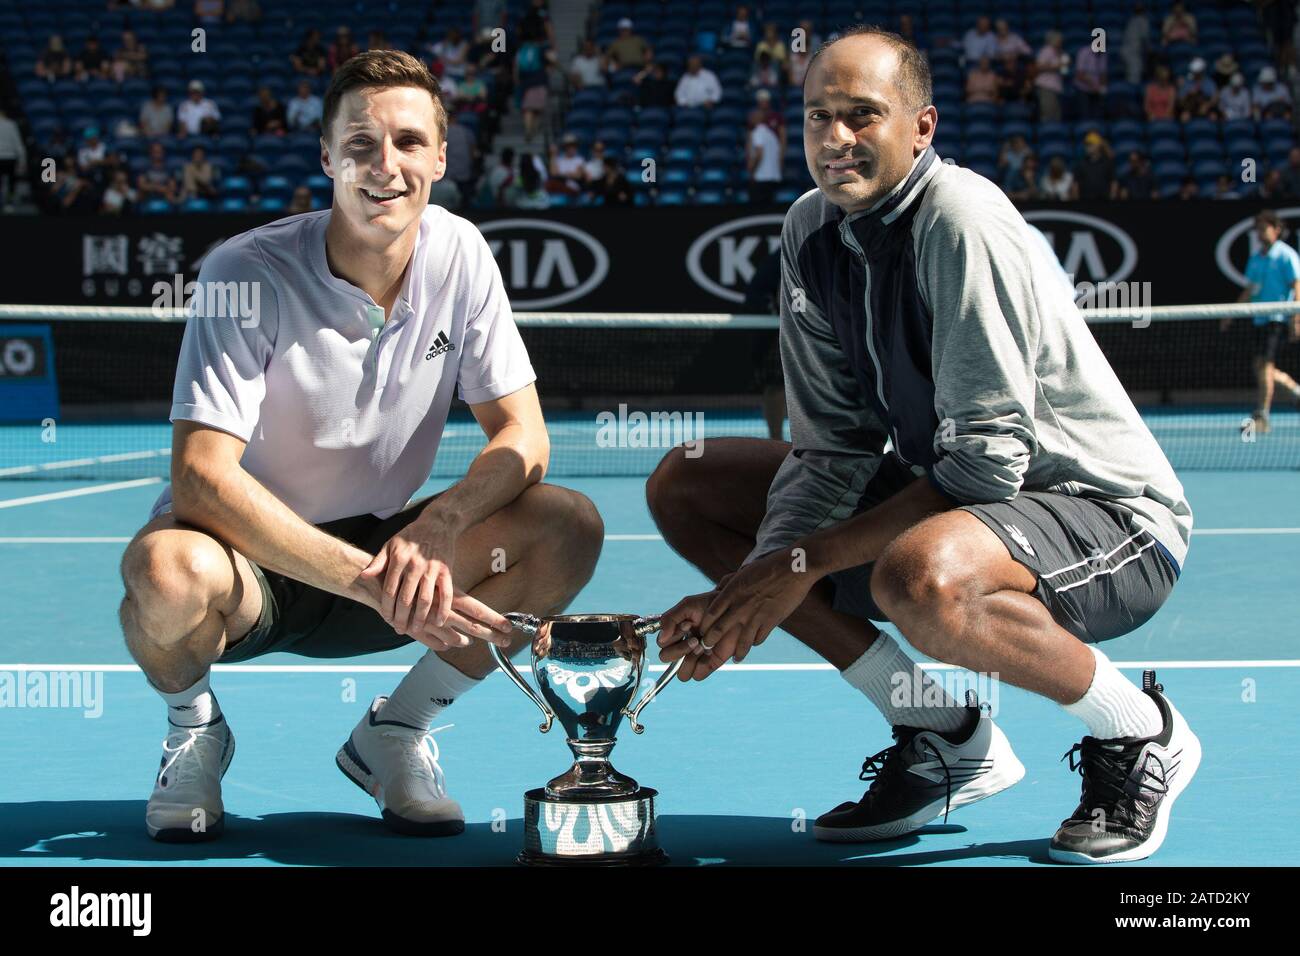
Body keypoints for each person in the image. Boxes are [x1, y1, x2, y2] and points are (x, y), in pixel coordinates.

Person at [648, 27, 1197, 864]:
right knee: (687, 485)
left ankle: (1140, 730)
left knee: (919, 579)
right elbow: (832, 446)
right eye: (817, 117)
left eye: (862, 116)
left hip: (1111, 521)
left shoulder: (960, 221)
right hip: (963, 507)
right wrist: (761, 573)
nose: (835, 140)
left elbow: (986, 464)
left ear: (922, 127)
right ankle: (941, 729)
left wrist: (794, 570)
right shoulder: (809, 232)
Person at [117, 50, 601, 844]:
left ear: (441, 157)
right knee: (164, 573)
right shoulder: (246, 270)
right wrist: (366, 580)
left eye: (410, 143)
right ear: (326, 156)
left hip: (390, 549)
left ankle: (397, 732)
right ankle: (194, 727)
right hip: (248, 563)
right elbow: (201, 479)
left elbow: (525, 436)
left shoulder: (463, 254)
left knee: (566, 526)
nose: (387, 166)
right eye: (361, 145)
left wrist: (437, 528)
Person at [1226, 210, 1300, 433]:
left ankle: (1262, 416)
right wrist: (1230, 313)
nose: (1259, 233)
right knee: (1261, 367)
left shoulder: (1286, 255)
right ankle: (1296, 391)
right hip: (1259, 320)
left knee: (1265, 366)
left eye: (1263, 228)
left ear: (1276, 229)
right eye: (1257, 229)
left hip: (1277, 319)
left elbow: (1297, 285)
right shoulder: (1256, 258)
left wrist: (1296, 317)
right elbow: (1249, 290)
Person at [745, 112, 782, 204]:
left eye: (752, 116)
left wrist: (752, 169)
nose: (750, 118)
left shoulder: (757, 132)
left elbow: (759, 153)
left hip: (761, 178)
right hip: (773, 178)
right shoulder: (772, 135)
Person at [1071, 131, 1117, 200]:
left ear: (1098, 145)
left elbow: (1113, 183)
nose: (1087, 147)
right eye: (1086, 144)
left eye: (1090, 144)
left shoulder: (1107, 163)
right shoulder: (1080, 164)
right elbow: (1075, 184)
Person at [0, 105, 28, 212]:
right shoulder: (11, 125)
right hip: (10, 158)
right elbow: (18, 144)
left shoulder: (11, 124)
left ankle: (7, 202)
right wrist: (22, 160)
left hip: (7, 157)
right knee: (11, 182)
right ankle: (9, 202)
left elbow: (18, 143)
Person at [1033, 31, 1066, 122]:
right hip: (1046, 86)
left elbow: (1064, 70)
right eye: (1059, 40)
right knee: (1048, 114)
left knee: (1056, 114)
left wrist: (1064, 65)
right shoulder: (1046, 50)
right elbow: (1039, 66)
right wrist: (1056, 66)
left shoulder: (1061, 52)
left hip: (1056, 87)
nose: (1061, 41)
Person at [1073, 38, 1107, 120]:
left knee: (1097, 115)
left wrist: (1102, 87)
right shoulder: (1084, 52)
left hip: (1096, 91)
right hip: (1083, 89)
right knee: (1085, 115)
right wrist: (1094, 85)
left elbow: (1103, 74)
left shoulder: (1103, 54)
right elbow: (1079, 75)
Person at [136, 141, 180, 205]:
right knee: (140, 194)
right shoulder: (144, 169)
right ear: (151, 153)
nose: (158, 154)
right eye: (155, 152)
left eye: (159, 152)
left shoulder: (169, 169)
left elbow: (173, 187)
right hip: (148, 196)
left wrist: (162, 189)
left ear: (163, 153)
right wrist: (158, 188)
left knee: (171, 195)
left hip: (165, 196)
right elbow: (141, 185)